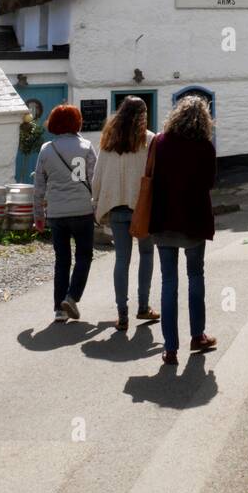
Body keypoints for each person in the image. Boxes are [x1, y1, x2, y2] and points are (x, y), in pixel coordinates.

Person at [148, 95, 217, 365]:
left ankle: (170, 347)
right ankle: (197, 335)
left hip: (164, 219)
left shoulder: (160, 143)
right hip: (193, 220)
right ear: (204, 120)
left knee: (168, 282)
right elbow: (210, 182)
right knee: (195, 276)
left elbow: (151, 177)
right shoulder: (205, 147)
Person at [91, 96, 159, 332]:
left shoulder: (109, 141)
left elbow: (97, 176)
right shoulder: (149, 140)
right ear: (143, 115)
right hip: (142, 207)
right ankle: (143, 306)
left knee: (122, 259)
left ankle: (122, 314)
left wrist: (97, 202)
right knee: (147, 253)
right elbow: (155, 174)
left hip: (117, 207)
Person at [33, 104, 97, 323]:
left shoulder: (46, 149)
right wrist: (98, 208)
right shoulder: (86, 146)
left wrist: (38, 215)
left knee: (62, 260)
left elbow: (39, 185)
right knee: (84, 255)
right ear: (77, 122)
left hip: (57, 213)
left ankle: (59, 310)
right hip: (82, 210)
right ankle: (72, 297)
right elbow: (94, 181)